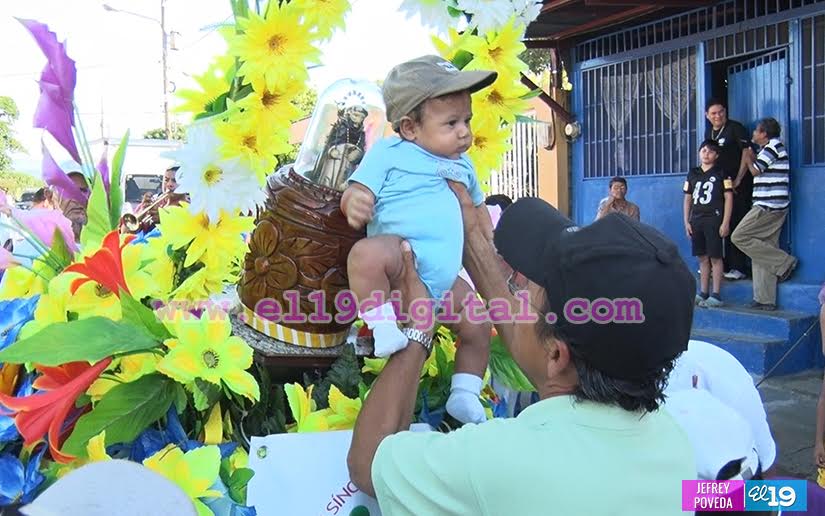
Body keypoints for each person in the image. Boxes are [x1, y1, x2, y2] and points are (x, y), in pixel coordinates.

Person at [348, 188, 697, 514]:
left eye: (525, 292)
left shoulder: (502, 460)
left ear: (557, 355)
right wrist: (470, 233)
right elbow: (528, 339)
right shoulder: (671, 442)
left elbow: (369, 463)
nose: (516, 298)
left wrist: (417, 329)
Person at [341, 55, 497, 425]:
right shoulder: (388, 153)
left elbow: (477, 210)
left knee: (478, 324)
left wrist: (489, 238)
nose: (464, 132)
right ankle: (381, 325)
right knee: (364, 254)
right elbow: (356, 189)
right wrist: (356, 201)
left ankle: (464, 392)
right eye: (452, 123)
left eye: (467, 121)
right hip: (398, 266)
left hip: (443, 282)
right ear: (410, 128)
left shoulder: (464, 164)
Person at [732, 118, 798, 311]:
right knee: (763, 248)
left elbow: (755, 171)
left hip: (768, 206)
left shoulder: (772, 147)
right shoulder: (769, 149)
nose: (753, 134)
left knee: (739, 236)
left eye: (756, 131)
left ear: (764, 134)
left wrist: (747, 157)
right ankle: (765, 299)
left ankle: (785, 263)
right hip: (772, 205)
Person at [704, 99, 752, 281]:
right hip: (719, 187)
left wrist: (739, 179)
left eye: (721, 112)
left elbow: (747, 153)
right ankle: (722, 265)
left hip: (738, 187)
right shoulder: (709, 132)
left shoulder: (735, 128)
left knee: (737, 223)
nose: (718, 116)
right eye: (714, 113)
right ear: (707, 116)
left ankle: (739, 267)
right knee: (721, 225)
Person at [683, 140, 733, 307]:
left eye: (710, 151)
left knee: (715, 257)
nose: (706, 153)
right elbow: (687, 198)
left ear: (716, 155)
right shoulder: (693, 173)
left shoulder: (721, 172)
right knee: (702, 257)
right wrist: (686, 221)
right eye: (703, 150)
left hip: (714, 218)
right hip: (696, 219)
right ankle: (703, 292)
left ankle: (716, 295)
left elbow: (728, 197)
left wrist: (725, 222)